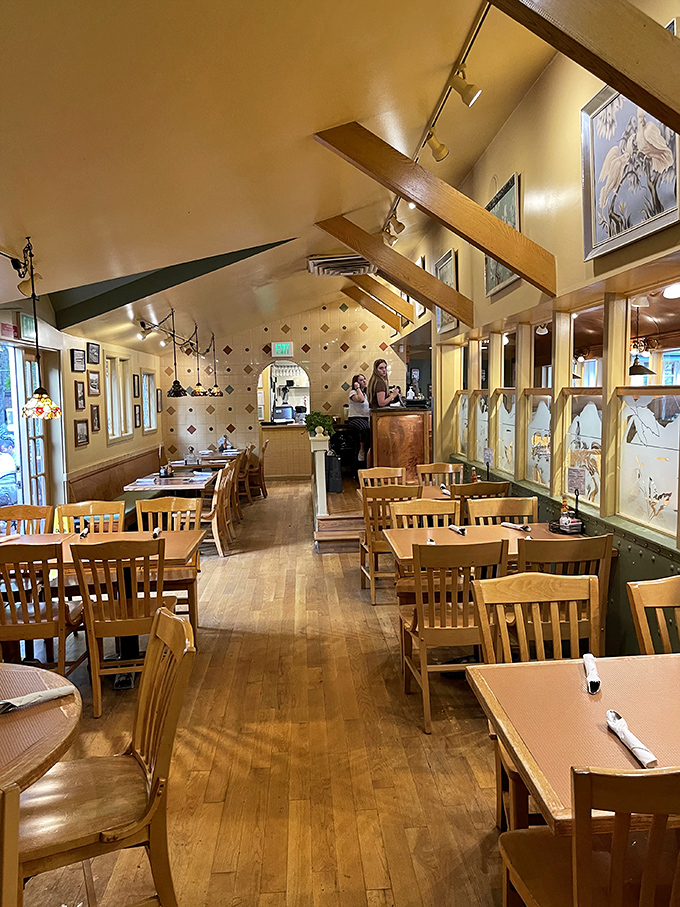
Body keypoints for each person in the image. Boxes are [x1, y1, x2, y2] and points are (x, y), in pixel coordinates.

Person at [348, 373, 370, 462]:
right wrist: (357, 388)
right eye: (361, 380)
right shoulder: (353, 392)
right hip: (355, 418)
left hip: (365, 418)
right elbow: (361, 400)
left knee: (368, 429)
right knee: (364, 428)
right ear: (356, 383)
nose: (364, 381)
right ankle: (361, 450)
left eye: (364, 379)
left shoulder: (366, 394)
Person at [0, 434, 18, 506]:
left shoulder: (18, 458)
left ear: (10, 448)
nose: (3, 453)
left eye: (4, 450)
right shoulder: (7, 459)